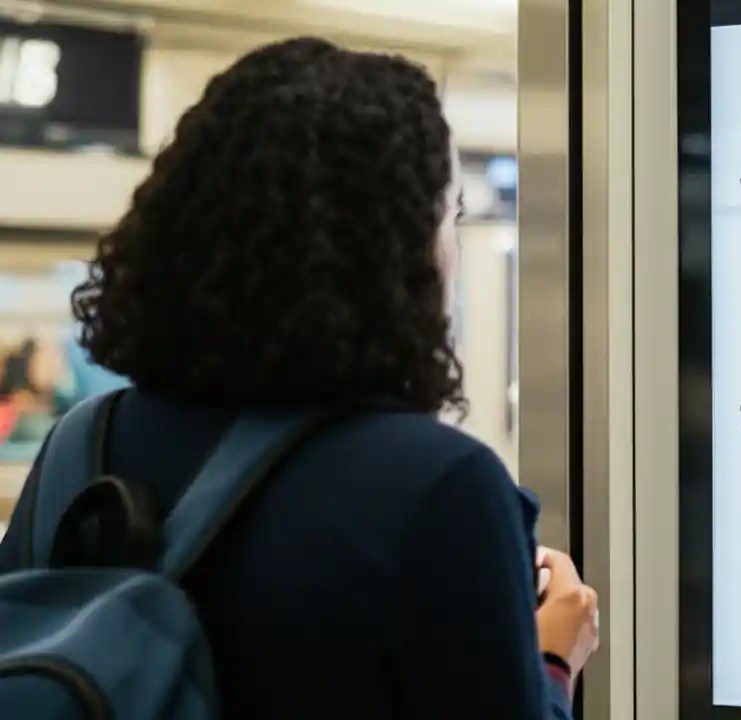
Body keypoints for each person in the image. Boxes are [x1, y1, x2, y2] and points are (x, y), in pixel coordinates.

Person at [0, 37, 597, 718]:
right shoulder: (436, 486)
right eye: (449, 217)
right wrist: (553, 661)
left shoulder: (78, 449)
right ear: (397, 252)